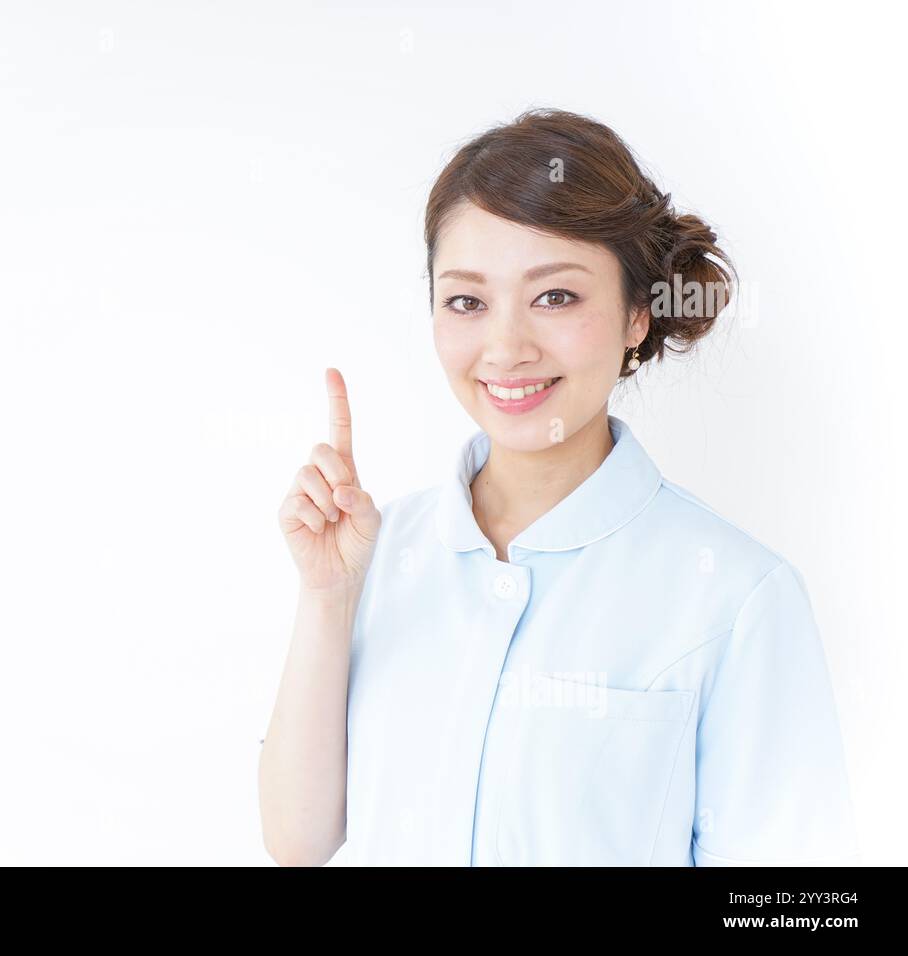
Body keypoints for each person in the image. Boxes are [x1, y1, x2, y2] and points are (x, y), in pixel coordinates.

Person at [257, 108, 860, 867]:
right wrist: (325, 597)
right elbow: (299, 840)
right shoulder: (372, 555)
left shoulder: (738, 596)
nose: (506, 348)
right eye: (468, 301)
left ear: (639, 313)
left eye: (556, 297)